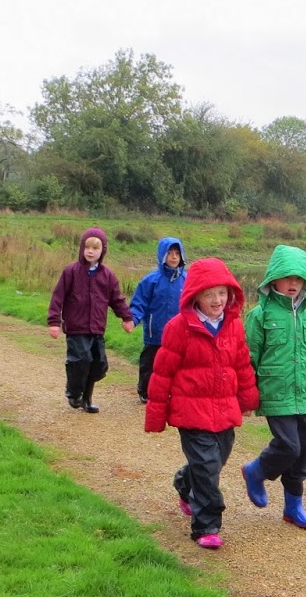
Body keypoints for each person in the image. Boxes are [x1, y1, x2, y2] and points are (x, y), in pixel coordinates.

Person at [144, 258, 260, 549]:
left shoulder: (233, 326)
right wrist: (156, 415)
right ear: (195, 295)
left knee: (214, 461)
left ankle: (185, 483)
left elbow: (242, 364)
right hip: (191, 413)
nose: (217, 300)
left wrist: (248, 396)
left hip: (223, 411)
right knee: (208, 467)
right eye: (209, 294)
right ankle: (206, 524)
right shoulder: (178, 328)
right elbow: (162, 374)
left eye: (222, 293)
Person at [240, 244, 306, 529]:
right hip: (275, 392)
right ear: (273, 279)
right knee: (288, 445)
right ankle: (256, 471)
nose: (293, 283)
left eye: (299, 278)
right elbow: (248, 357)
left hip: (304, 393)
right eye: (287, 277)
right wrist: (245, 395)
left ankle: (293, 507)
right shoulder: (261, 314)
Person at [47, 227, 135, 412]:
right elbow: (58, 297)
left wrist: (127, 318)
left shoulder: (108, 276)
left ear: (102, 251)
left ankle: (87, 398)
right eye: (87, 247)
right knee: (80, 360)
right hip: (76, 327)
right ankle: (74, 393)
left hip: (96, 328)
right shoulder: (71, 271)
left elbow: (116, 299)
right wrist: (54, 322)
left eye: (95, 248)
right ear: (82, 248)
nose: (90, 251)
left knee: (98, 365)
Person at [129, 236, 186, 403]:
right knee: (150, 364)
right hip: (155, 333)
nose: (174, 257)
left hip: (179, 335)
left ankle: (174, 391)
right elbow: (139, 303)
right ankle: (145, 390)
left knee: (176, 365)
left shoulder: (187, 280)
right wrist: (133, 319)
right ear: (162, 255)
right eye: (170, 253)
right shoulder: (150, 280)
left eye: (177, 253)